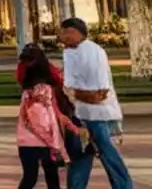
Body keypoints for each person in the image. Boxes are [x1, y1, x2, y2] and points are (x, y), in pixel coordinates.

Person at [60, 17, 132, 189]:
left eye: (66, 32)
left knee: (107, 153)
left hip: (98, 114)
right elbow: (69, 86)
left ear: (76, 32)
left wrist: (75, 93)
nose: (62, 36)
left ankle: (124, 185)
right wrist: (75, 94)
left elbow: (100, 93)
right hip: (79, 113)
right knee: (80, 153)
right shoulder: (68, 53)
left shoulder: (94, 52)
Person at [17, 44, 82, 189]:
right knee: (51, 178)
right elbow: (45, 121)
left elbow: (55, 114)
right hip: (45, 142)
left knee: (29, 178)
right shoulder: (45, 90)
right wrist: (55, 143)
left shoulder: (27, 93)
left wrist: (73, 128)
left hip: (25, 142)